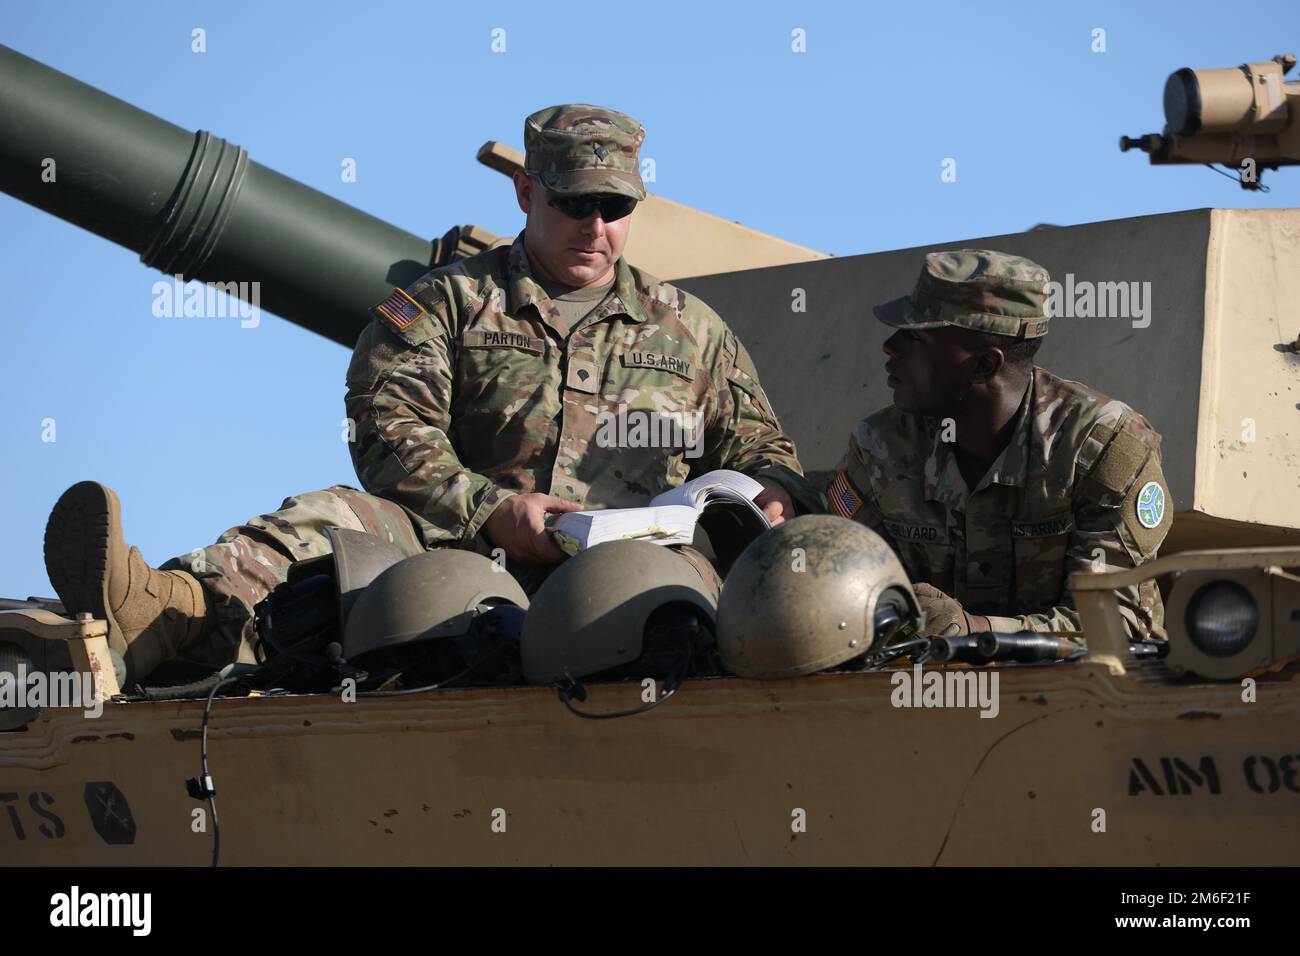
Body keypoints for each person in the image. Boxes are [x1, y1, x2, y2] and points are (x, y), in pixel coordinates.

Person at [42, 104, 810, 684]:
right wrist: (490, 510)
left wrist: (771, 491)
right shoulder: (446, 304)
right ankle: (164, 613)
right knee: (329, 519)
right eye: (575, 203)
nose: (596, 226)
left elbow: (762, 449)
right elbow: (386, 424)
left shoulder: (692, 330)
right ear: (525, 191)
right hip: (462, 546)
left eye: (616, 209)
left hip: (638, 570)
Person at [827, 249, 1170, 642]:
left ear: (984, 365)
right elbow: (841, 593)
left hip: (1081, 695)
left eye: (915, 337)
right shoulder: (881, 446)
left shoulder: (1103, 447)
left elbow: (1116, 623)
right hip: (920, 691)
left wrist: (979, 633)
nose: (890, 347)